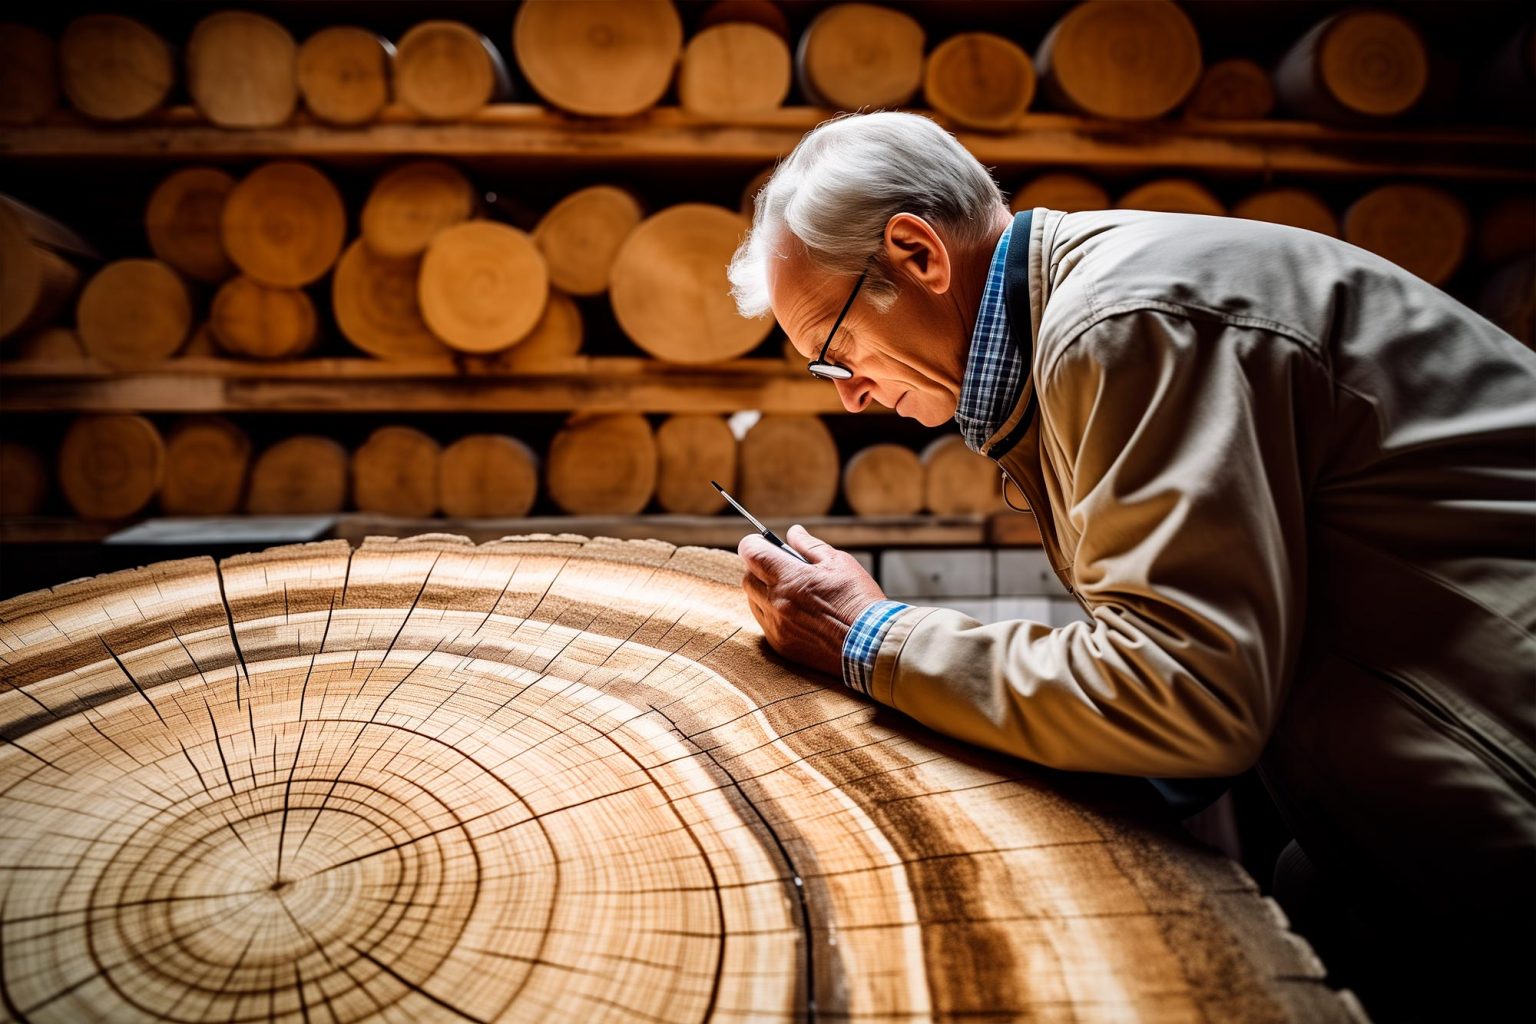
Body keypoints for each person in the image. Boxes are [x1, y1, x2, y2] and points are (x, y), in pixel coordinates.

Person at [726, 111, 1535, 1019]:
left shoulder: (1123, 324)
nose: (850, 396)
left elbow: (1187, 695)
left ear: (918, 254)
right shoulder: (1071, 330)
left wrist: (870, 637)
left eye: (835, 351)